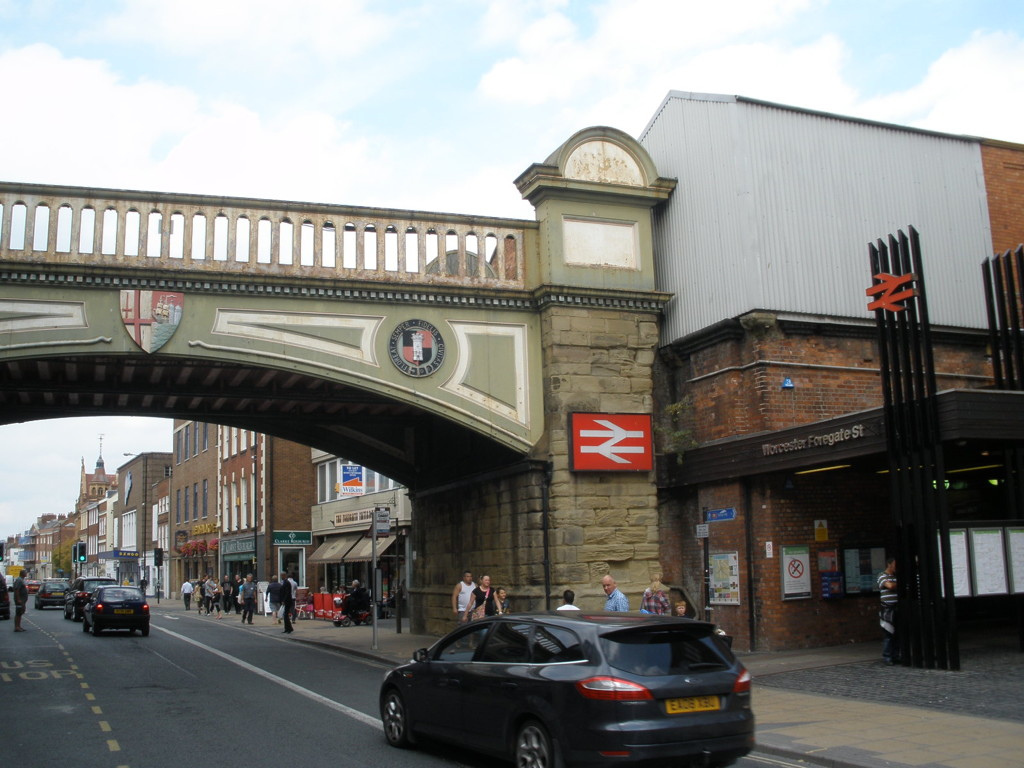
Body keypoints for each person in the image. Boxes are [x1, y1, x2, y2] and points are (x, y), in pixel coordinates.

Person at [878, 557, 898, 665]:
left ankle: (895, 655)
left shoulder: (895, 577)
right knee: (888, 633)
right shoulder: (882, 575)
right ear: (889, 564)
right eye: (895, 564)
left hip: (897, 607)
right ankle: (887, 656)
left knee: (897, 633)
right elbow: (889, 586)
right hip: (887, 609)